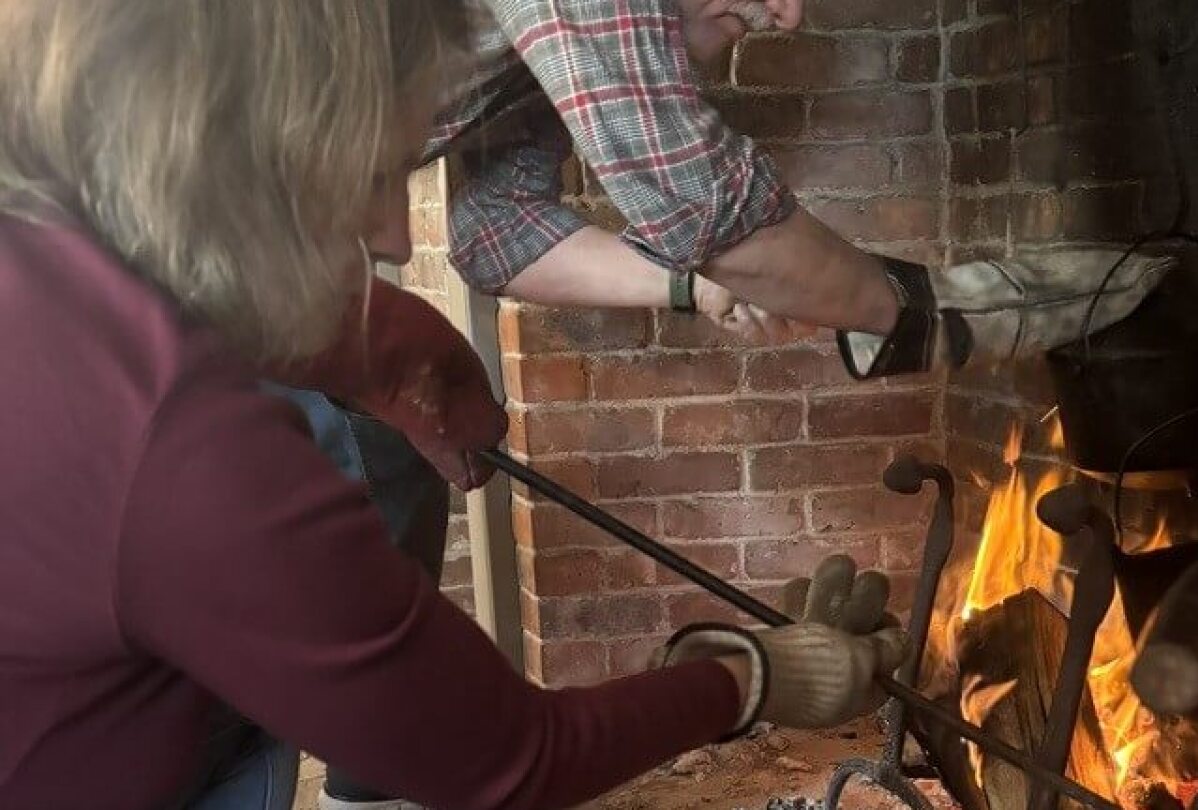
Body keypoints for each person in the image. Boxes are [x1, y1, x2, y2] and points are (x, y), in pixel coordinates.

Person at [0, 3, 909, 810]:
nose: (397, 236)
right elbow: (508, 762)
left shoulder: (54, 266)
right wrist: (753, 677)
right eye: (379, 172)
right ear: (245, 148)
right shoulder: (185, 451)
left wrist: (410, 363)